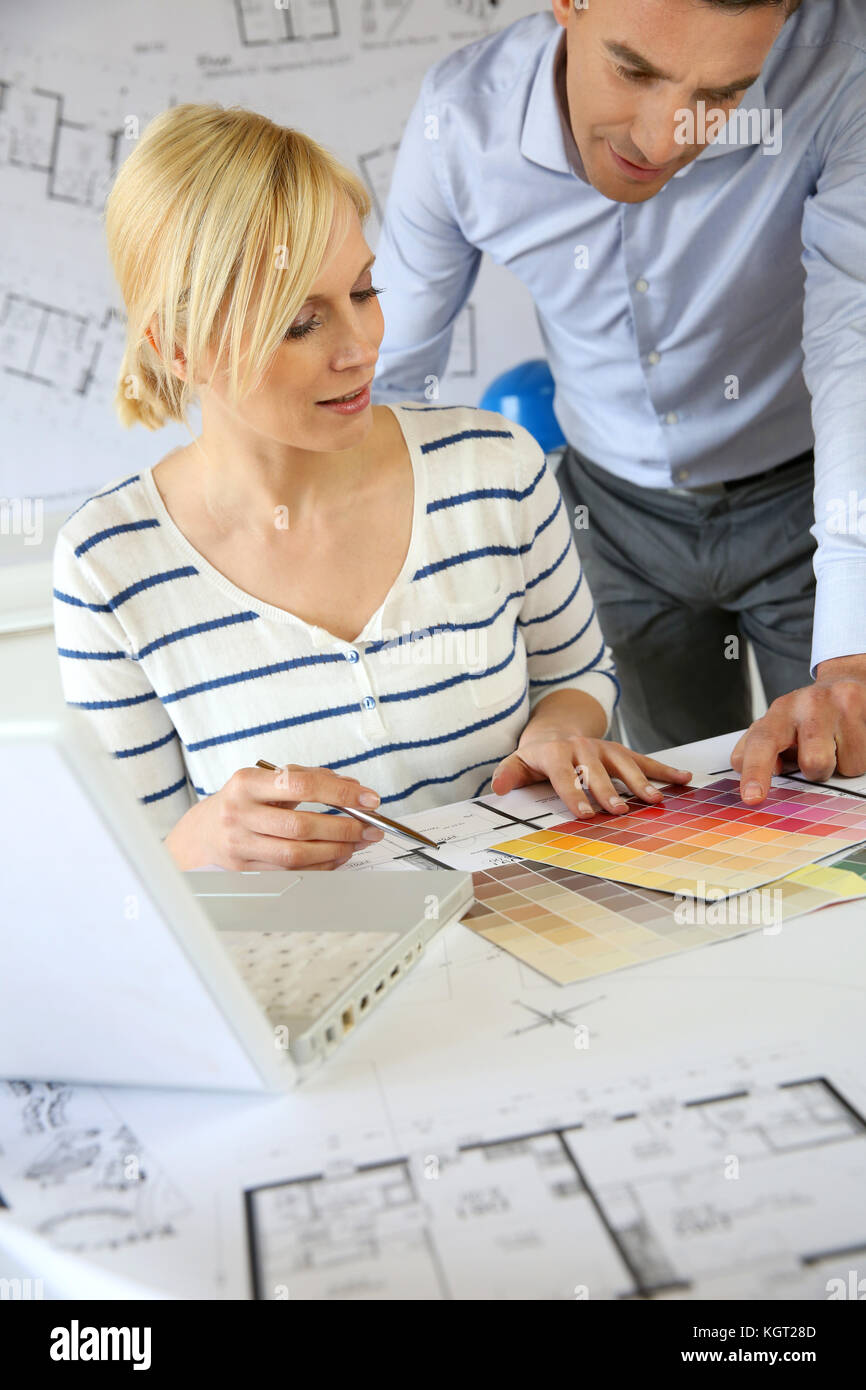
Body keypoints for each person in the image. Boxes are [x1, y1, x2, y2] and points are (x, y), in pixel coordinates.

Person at [52, 103, 691, 873]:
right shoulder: (106, 563)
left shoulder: (493, 466)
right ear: (179, 349)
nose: (359, 349)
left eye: (362, 290)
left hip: (534, 925)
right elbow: (128, 866)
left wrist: (557, 732)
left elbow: (578, 675)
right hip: (317, 976)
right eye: (299, 322)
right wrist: (201, 843)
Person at [370, 0, 866, 806]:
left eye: (727, 93)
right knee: (689, 813)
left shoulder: (842, 61)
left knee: (840, 792)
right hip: (613, 527)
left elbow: (858, 343)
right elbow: (386, 377)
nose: (665, 138)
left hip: (812, 503)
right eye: (634, 70)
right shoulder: (462, 121)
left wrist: (855, 654)